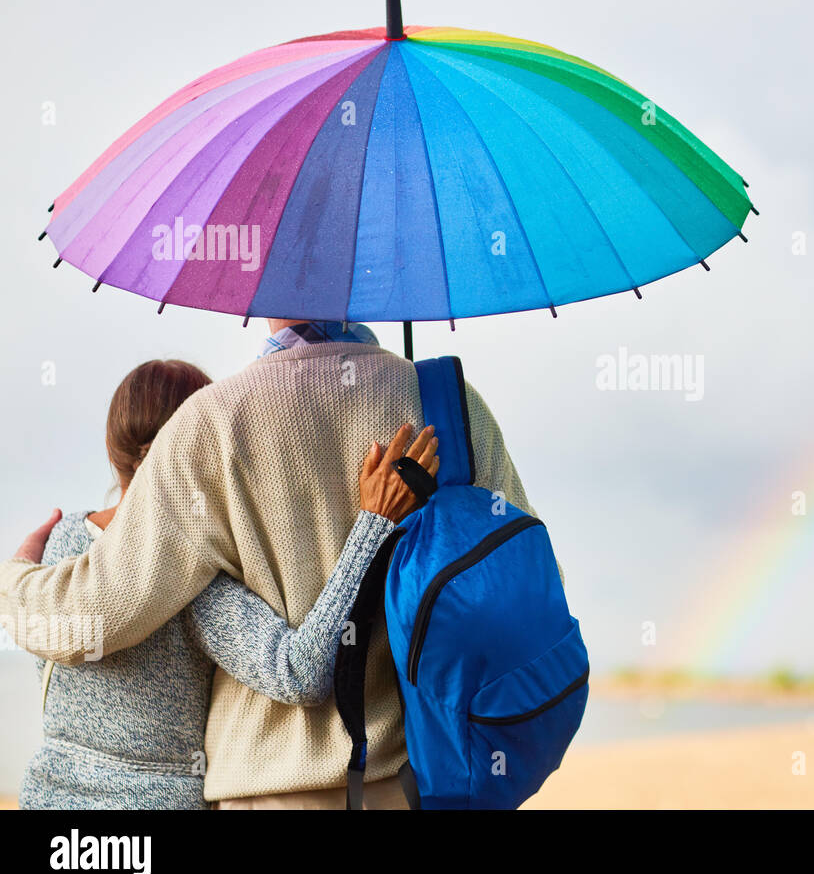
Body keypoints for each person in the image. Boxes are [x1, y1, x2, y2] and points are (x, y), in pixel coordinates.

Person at [1, 320, 542, 809]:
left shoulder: (210, 425)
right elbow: (531, 591)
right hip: (409, 774)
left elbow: (87, 616)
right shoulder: (450, 402)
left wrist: (14, 577)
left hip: (254, 787)